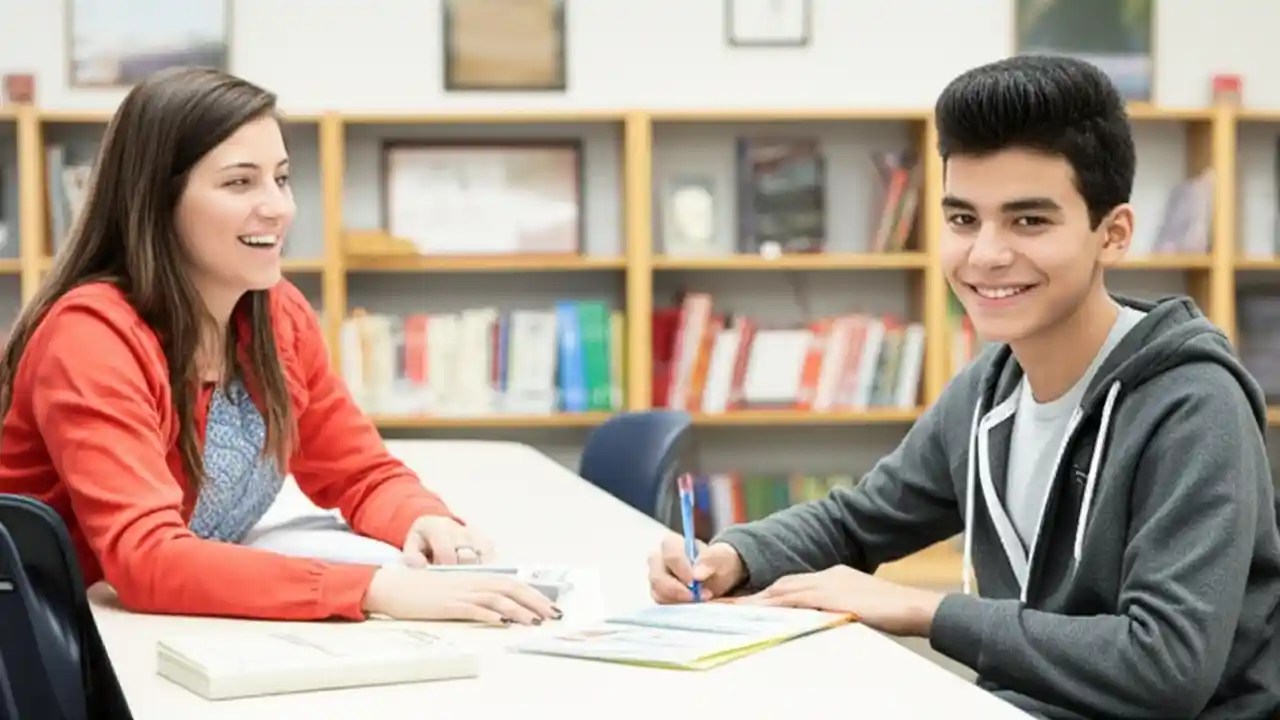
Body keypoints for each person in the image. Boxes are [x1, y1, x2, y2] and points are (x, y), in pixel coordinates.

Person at [648, 55, 1280, 720]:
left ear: (1112, 234)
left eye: (1028, 221)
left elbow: (1166, 666)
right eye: (962, 220)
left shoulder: (1194, 405)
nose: (985, 255)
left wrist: (925, 612)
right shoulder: (991, 387)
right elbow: (859, 520)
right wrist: (733, 556)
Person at [0, 67, 557, 628]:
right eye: (239, 183)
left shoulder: (276, 313)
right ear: (157, 200)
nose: (279, 207)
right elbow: (145, 559)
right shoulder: (90, 336)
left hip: (161, 625)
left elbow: (358, 472)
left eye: (282, 179)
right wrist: (374, 589)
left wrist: (424, 520)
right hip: (47, 633)